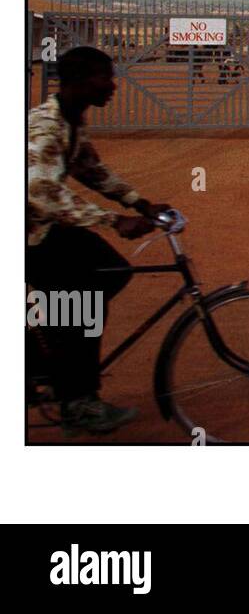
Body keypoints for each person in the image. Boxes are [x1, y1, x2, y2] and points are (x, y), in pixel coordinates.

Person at [27, 46, 171, 435]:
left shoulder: (72, 119)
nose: (113, 85)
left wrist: (140, 204)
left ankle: (46, 349)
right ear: (78, 81)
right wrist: (112, 221)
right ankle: (78, 400)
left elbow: (92, 170)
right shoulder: (45, 127)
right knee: (84, 298)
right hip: (30, 236)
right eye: (104, 77)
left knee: (107, 276)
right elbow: (41, 191)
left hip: (41, 228)